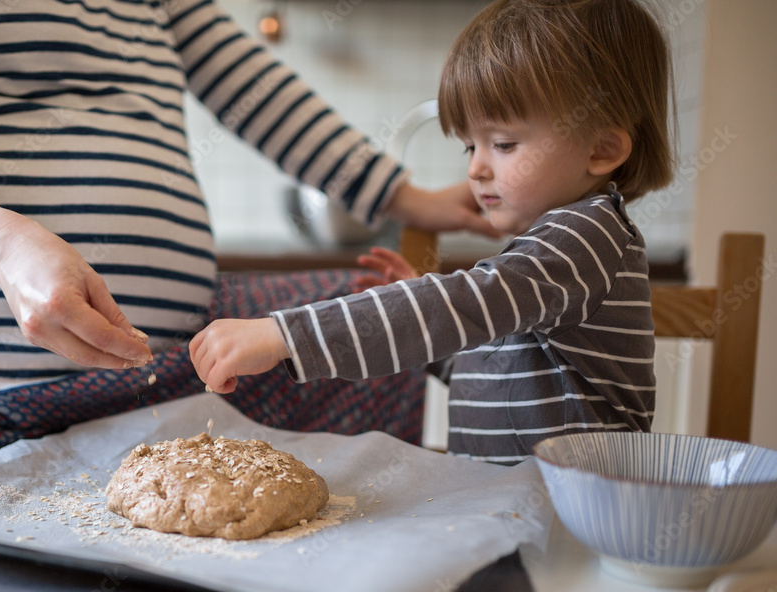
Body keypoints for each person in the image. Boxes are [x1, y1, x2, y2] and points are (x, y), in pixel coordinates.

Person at [0, 0, 497, 473]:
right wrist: (4, 247)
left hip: (139, 381)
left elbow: (258, 91)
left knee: (366, 320)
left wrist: (418, 201)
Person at [190, 0, 675, 463]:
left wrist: (286, 333)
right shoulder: (553, 246)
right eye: (470, 147)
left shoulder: (587, 236)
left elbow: (458, 304)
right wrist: (435, 349)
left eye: (503, 143)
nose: (477, 168)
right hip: (516, 515)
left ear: (602, 150)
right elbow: (496, 367)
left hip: (574, 528)